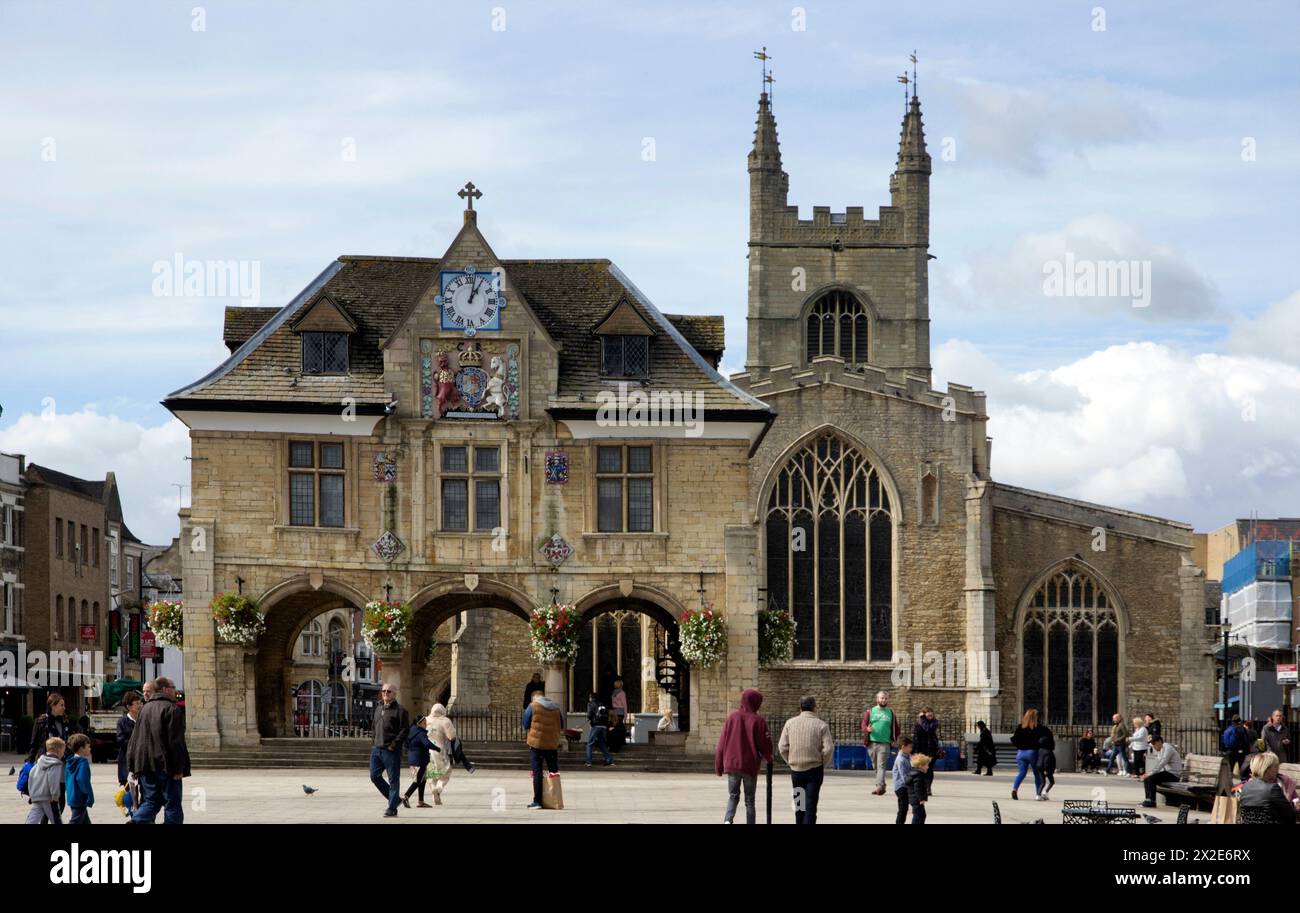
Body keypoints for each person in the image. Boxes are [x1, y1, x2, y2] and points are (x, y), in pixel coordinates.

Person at [127, 676, 191, 824]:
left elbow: (135, 739)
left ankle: (136, 821)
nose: (176, 691)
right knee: (172, 803)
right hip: (166, 765)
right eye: (173, 688)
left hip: (145, 764)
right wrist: (179, 768)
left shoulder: (145, 709)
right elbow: (176, 743)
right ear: (165, 689)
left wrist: (133, 765)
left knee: (151, 800)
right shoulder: (172, 709)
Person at [714, 688, 772, 825]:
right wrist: (769, 757)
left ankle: (728, 820)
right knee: (750, 800)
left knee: (733, 796)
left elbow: (721, 743)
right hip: (749, 766)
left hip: (732, 764)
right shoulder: (758, 721)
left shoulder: (732, 718)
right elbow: (765, 744)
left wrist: (719, 766)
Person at [777, 695, 834, 825]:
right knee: (811, 805)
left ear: (800, 707)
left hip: (796, 771)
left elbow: (782, 747)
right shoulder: (821, 725)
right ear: (814, 707)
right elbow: (828, 749)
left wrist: (790, 760)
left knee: (799, 805)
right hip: (814, 770)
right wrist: (821, 763)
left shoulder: (790, 723)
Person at [368, 682, 410, 818]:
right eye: (384, 691)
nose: (385, 693)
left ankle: (392, 808)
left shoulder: (401, 711)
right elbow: (374, 726)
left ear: (395, 694)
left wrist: (393, 745)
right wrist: (373, 740)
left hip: (390, 750)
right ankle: (396, 800)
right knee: (374, 776)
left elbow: (404, 731)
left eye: (389, 691)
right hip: (377, 749)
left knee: (393, 780)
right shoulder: (378, 708)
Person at [524, 690, 565, 809]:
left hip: (536, 744)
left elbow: (525, 724)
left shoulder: (533, 706)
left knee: (537, 773)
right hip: (551, 744)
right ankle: (556, 799)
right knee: (554, 772)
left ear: (534, 698)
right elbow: (561, 724)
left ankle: (537, 802)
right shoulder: (556, 708)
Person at [1236, 751, 1295, 824]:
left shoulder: (1245, 788)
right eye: (1276, 766)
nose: (1278, 769)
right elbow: (1290, 814)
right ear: (1267, 769)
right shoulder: (1272, 788)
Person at [860, 691, 899, 796]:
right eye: (882, 698)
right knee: (875, 766)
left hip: (884, 743)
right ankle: (881, 784)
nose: (884, 700)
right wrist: (866, 729)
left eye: (885, 698)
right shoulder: (871, 711)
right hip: (871, 743)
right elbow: (863, 724)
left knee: (881, 765)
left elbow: (896, 728)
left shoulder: (891, 713)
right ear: (877, 699)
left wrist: (894, 739)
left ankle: (879, 787)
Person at [24, 736, 66, 824]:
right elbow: (53, 780)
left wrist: (32, 794)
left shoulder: (39, 762)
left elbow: (31, 777)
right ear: (58, 750)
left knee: (33, 818)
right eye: (63, 750)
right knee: (56, 819)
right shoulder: (56, 764)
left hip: (37, 796)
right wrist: (55, 796)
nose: (63, 753)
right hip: (49, 797)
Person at [423, 703, 457, 805]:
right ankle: (438, 788)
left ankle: (433, 788)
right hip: (440, 751)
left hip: (427, 751)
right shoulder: (445, 721)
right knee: (445, 773)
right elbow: (452, 736)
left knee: (431, 773)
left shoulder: (425, 720)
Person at [401, 717, 438, 809]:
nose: (426, 725)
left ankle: (421, 802)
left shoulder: (412, 730)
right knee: (418, 781)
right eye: (425, 723)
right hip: (420, 760)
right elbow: (427, 744)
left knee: (422, 780)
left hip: (413, 759)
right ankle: (406, 797)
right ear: (419, 723)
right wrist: (437, 748)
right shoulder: (421, 733)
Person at [1010, 709, 1045, 801]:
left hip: (1021, 753)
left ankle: (1015, 789)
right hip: (1032, 752)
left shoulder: (1020, 727)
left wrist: (1020, 746)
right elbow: (1043, 740)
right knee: (1037, 774)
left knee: (1021, 773)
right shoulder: (1038, 728)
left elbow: (1013, 739)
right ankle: (1038, 794)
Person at [1140, 733, 1183, 808]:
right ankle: (1148, 799)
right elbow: (1160, 766)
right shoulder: (1160, 750)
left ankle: (1152, 801)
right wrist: (1149, 774)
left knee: (1151, 778)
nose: (1153, 746)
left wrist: (1150, 773)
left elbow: (1163, 762)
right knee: (1147, 778)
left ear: (1159, 741)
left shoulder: (1167, 748)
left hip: (1174, 774)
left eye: (1154, 743)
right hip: (1167, 773)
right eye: (1152, 744)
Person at [64, 733, 95, 825]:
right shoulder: (83, 763)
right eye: (88, 747)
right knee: (75, 821)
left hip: (72, 795)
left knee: (85, 821)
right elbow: (82, 780)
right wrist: (90, 796)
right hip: (80, 798)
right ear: (81, 748)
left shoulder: (70, 762)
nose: (90, 749)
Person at [116, 691, 142, 787]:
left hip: (141, 760)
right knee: (128, 794)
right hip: (127, 760)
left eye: (140, 703)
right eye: (137, 703)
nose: (139, 706)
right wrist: (137, 745)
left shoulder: (143, 720)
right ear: (129, 706)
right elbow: (120, 740)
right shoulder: (122, 722)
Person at [913, 708, 941, 793]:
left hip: (931, 749)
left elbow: (928, 729)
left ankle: (928, 787)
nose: (930, 717)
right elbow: (916, 736)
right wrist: (914, 749)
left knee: (929, 769)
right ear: (924, 715)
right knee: (920, 769)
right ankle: (921, 787)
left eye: (931, 715)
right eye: (928, 715)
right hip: (921, 748)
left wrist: (922, 719)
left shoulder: (934, 722)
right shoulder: (918, 723)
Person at [585, 693, 614, 767]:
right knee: (602, 744)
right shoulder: (603, 704)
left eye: (589, 697)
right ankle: (609, 760)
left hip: (596, 725)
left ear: (591, 697)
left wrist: (590, 719)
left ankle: (589, 762)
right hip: (603, 726)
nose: (589, 699)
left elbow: (589, 715)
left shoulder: (591, 704)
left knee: (590, 744)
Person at [1221, 715, 1250, 782]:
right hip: (1240, 752)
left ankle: (1228, 783)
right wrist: (1247, 751)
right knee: (1243, 769)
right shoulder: (1242, 729)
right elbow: (1246, 741)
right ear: (1239, 721)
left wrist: (1224, 750)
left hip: (1230, 751)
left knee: (1230, 769)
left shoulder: (1228, 729)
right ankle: (1243, 783)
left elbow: (1223, 741)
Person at [893, 736, 914, 824]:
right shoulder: (901, 760)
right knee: (903, 808)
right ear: (903, 747)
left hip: (905, 786)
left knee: (904, 808)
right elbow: (904, 776)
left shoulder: (907, 757)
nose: (911, 749)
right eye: (909, 747)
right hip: (901, 787)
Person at [906, 753, 931, 824]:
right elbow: (918, 789)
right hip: (916, 800)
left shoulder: (916, 774)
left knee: (921, 815)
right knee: (918, 815)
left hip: (915, 799)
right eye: (926, 765)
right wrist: (921, 799)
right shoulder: (918, 776)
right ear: (920, 766)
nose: (928, 767)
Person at [1038, 723, 1057, 798]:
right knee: (1051, 782)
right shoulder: (1048, 752)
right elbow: (1046, 761)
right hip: (1046, 769)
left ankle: (1038, 794)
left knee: (1042, 782)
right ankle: (1045, 792)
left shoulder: (1040, 750)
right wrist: (1046, 769)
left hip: (1040, 767)